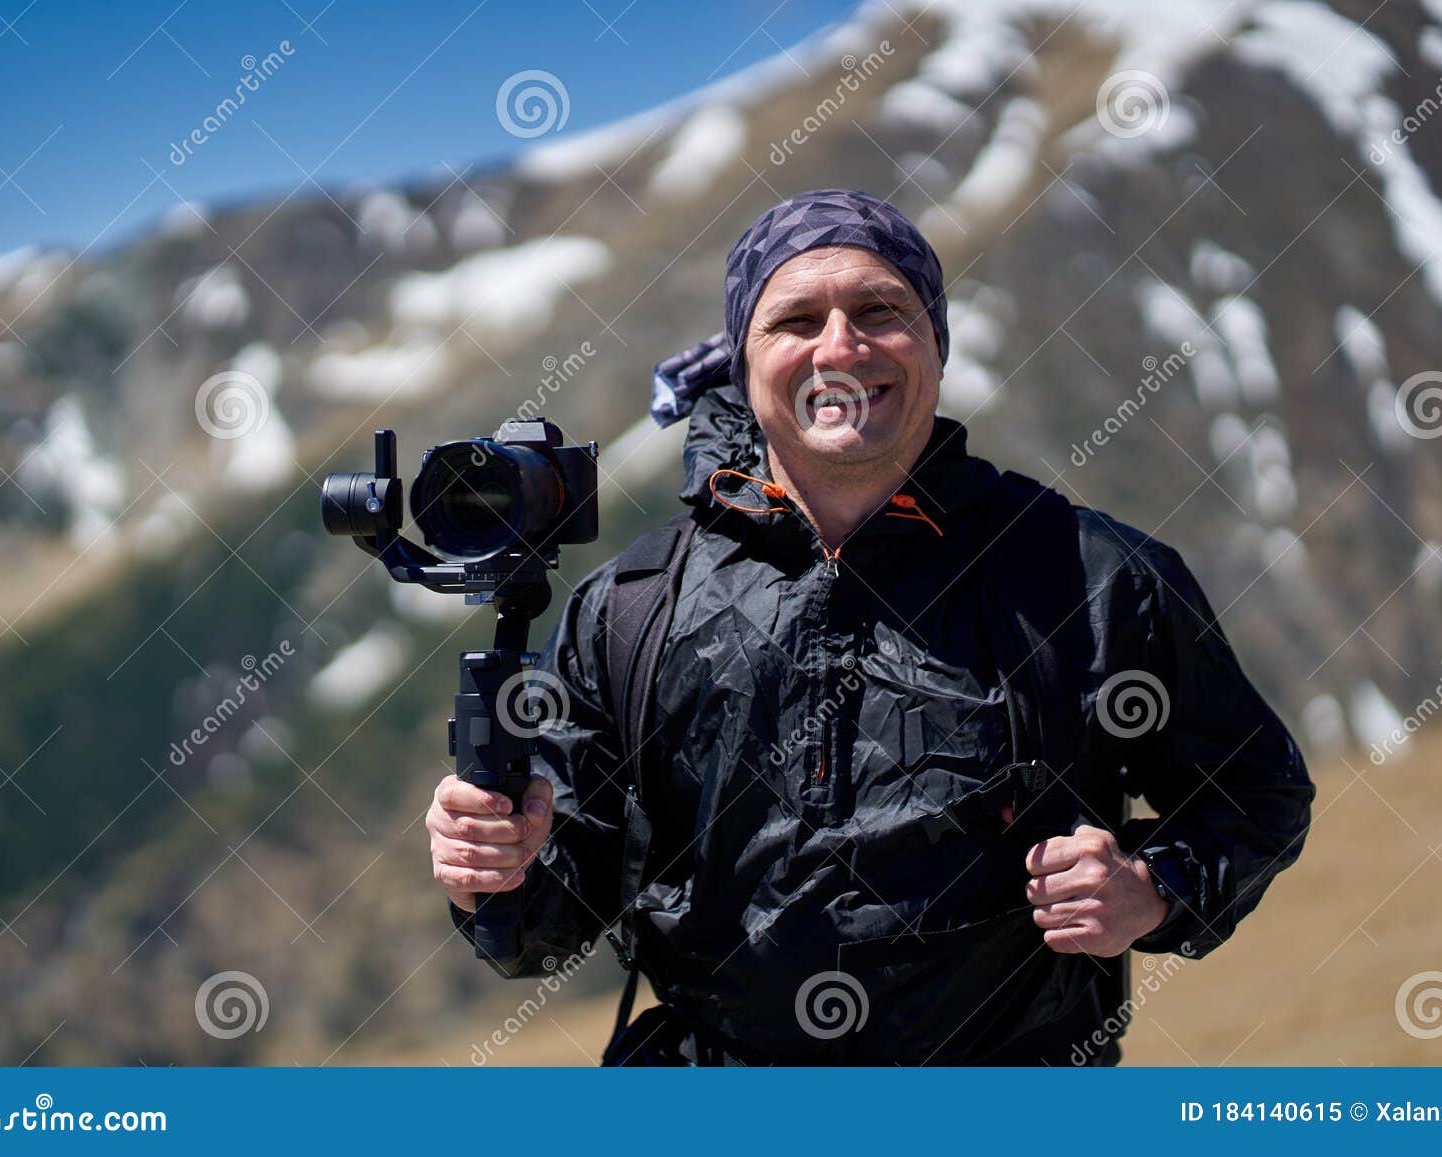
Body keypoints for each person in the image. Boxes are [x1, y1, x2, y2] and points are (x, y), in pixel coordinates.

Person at [426, 188, 1315, 1065]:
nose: (840, 347)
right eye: (795, 320)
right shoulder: (630, 609)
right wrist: (491, 873)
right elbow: (545, 926)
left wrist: (1151, 888)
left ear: (937, 343)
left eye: (881, 310)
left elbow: (1256, 795)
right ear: (743, 363)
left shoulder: (1090, 577)